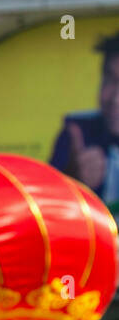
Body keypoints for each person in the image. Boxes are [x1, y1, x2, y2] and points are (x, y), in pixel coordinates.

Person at [48, 31, 119, 204]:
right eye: (109, 80)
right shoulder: (78, 135)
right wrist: (72, 183)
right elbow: (46, 211)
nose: (115, 98)